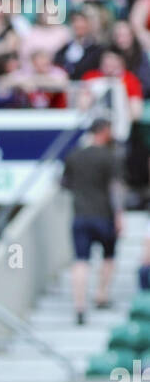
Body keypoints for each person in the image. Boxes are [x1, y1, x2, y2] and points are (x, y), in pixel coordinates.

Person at [61, 116, 123, 324]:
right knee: (109, 256)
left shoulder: (74, 155)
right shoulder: (109, 156)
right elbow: (115, 188)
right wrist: (119, 215)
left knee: (80, 261)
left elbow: (64, 184)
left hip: (80, 216)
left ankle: (80, 307)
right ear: (104, 131)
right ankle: (101, 295)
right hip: (103, 216)